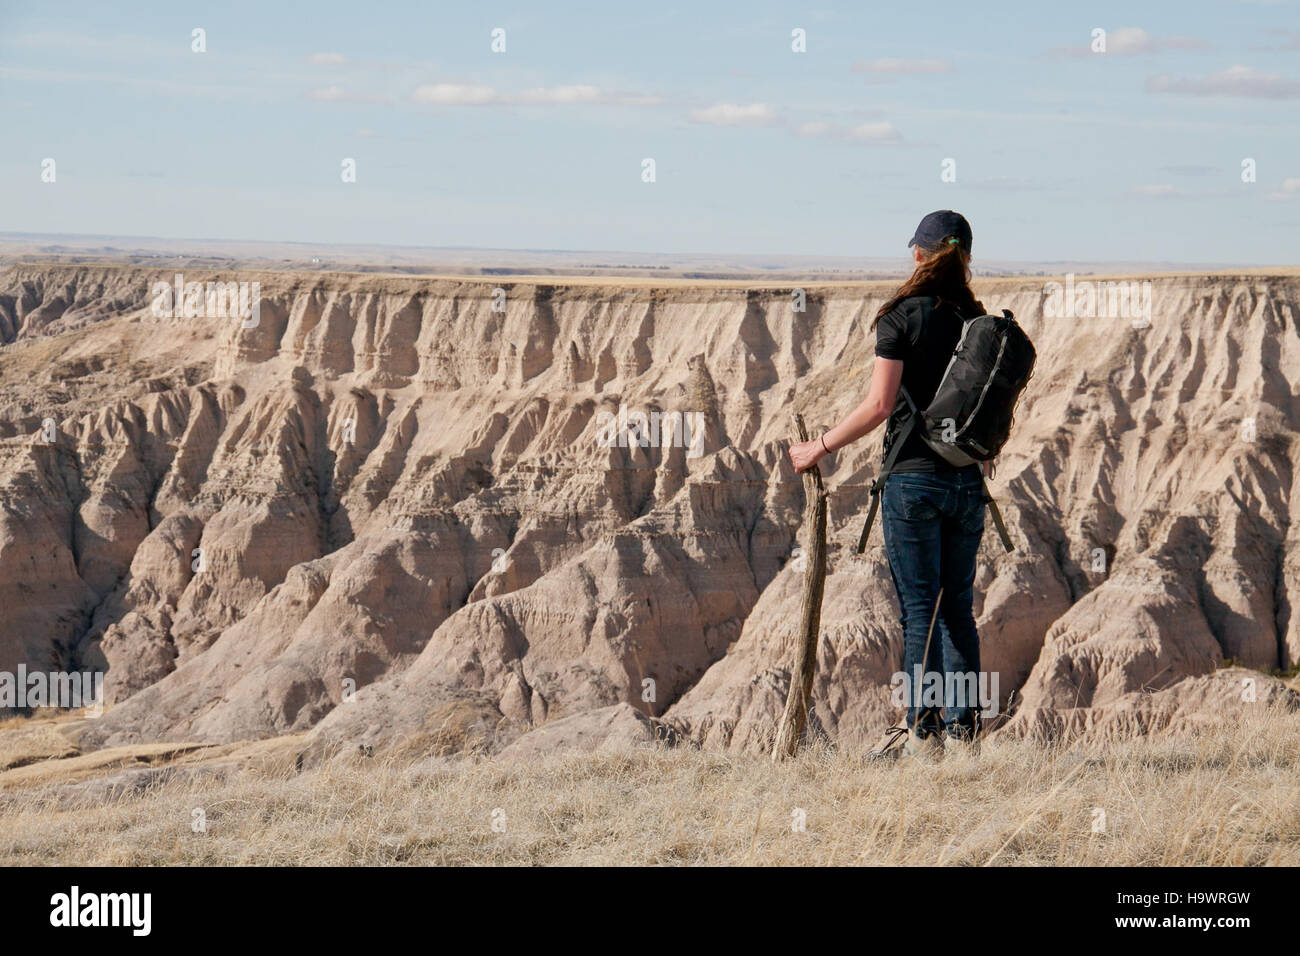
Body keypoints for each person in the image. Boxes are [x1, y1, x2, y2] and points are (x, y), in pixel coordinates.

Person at [787, 209, 990, 761]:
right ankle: (965, 736)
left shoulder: (900, 316)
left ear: (920, 254)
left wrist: (819, 447)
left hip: (914, 482)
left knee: (920, 608)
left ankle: (924, 735)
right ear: (966, 258)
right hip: (967, 483)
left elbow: (879, 405)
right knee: (958, 609)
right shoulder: (977, 319)